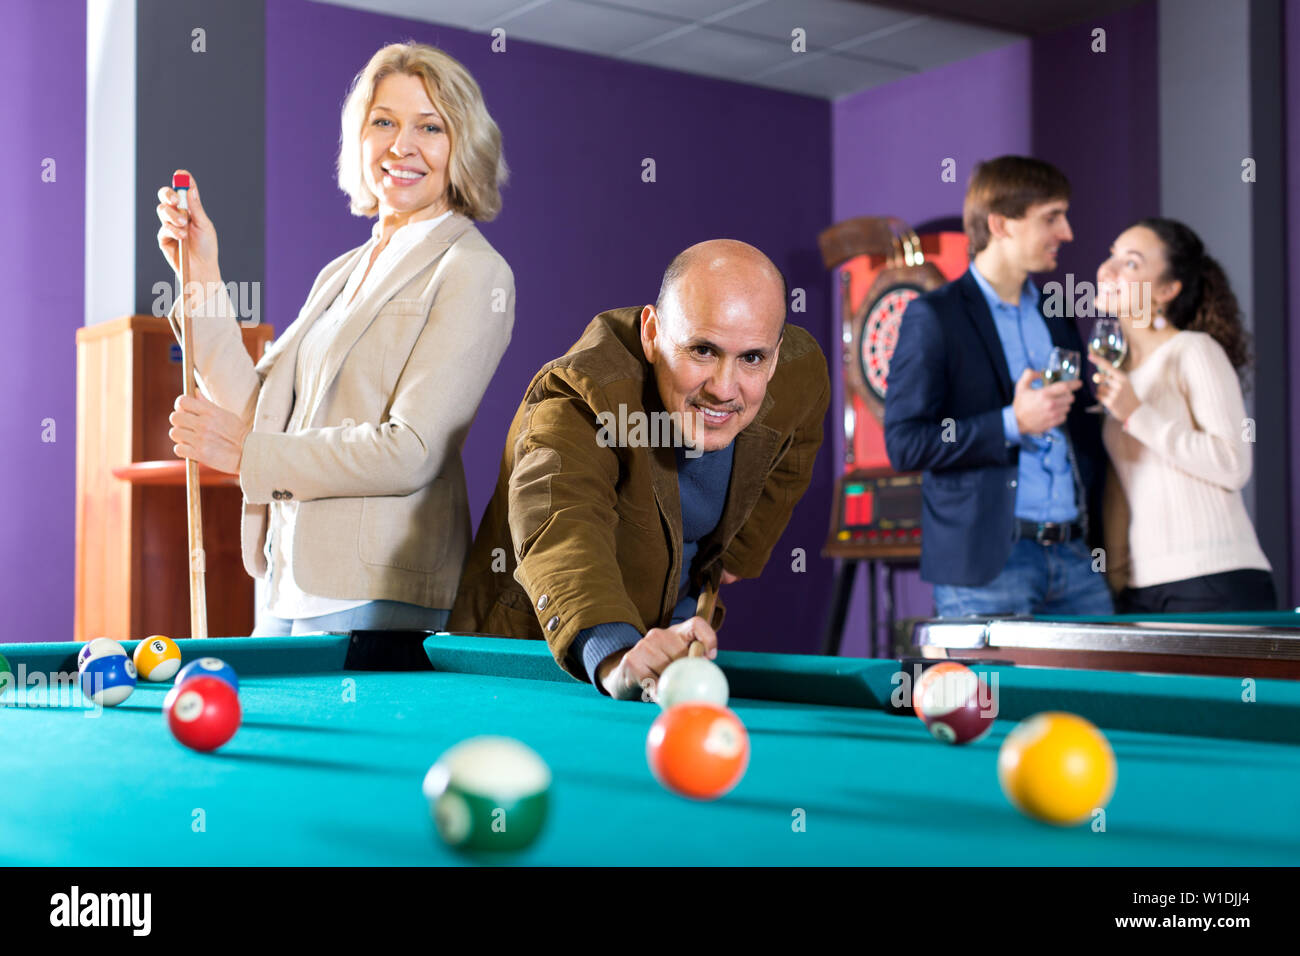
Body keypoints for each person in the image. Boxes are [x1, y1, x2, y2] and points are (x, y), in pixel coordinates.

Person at [155, 42, 515, 636]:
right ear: (360, 139)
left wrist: (246, 455)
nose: (402, 145)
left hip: (377, 585)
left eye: (430, 126)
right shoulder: (344, 269)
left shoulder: (474, 271)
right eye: (384, 122)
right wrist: (200, 272)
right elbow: (257, 407)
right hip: (285, 575)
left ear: (463, 146)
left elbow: (411, 450)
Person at [449, 240, 829, 698]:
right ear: (652, 333)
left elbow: (796, 440)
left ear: (775, 352)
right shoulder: (580, 396)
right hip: (533, 656)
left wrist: (741, 554)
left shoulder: (797, 371)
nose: (725, 389)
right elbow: (562, 525)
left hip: (661, 644)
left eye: (751, 357)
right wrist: (612, 651)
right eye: (702, 350)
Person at [885, 156, 1112, 616]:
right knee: (987, 694)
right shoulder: (935, 316)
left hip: (1076, 558)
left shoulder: (1055, 310)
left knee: (1103, 691)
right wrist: (1012, 422)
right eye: (1052, 217)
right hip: (987, 568)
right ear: (1000, 224)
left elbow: (1076, 421)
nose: (1067, 233)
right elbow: (906, 443)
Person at [1091, 218, 1275, 612]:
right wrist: (1119, 578)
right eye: (1112, 256)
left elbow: (1233, 464)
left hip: (1214, 577)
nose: (1108, 271)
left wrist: (1137, 414)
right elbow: (1123, 484)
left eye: (1131, 263)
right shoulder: (1118, 375)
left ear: (1166, 290)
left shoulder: (1194, 350)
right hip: (1143, 587)